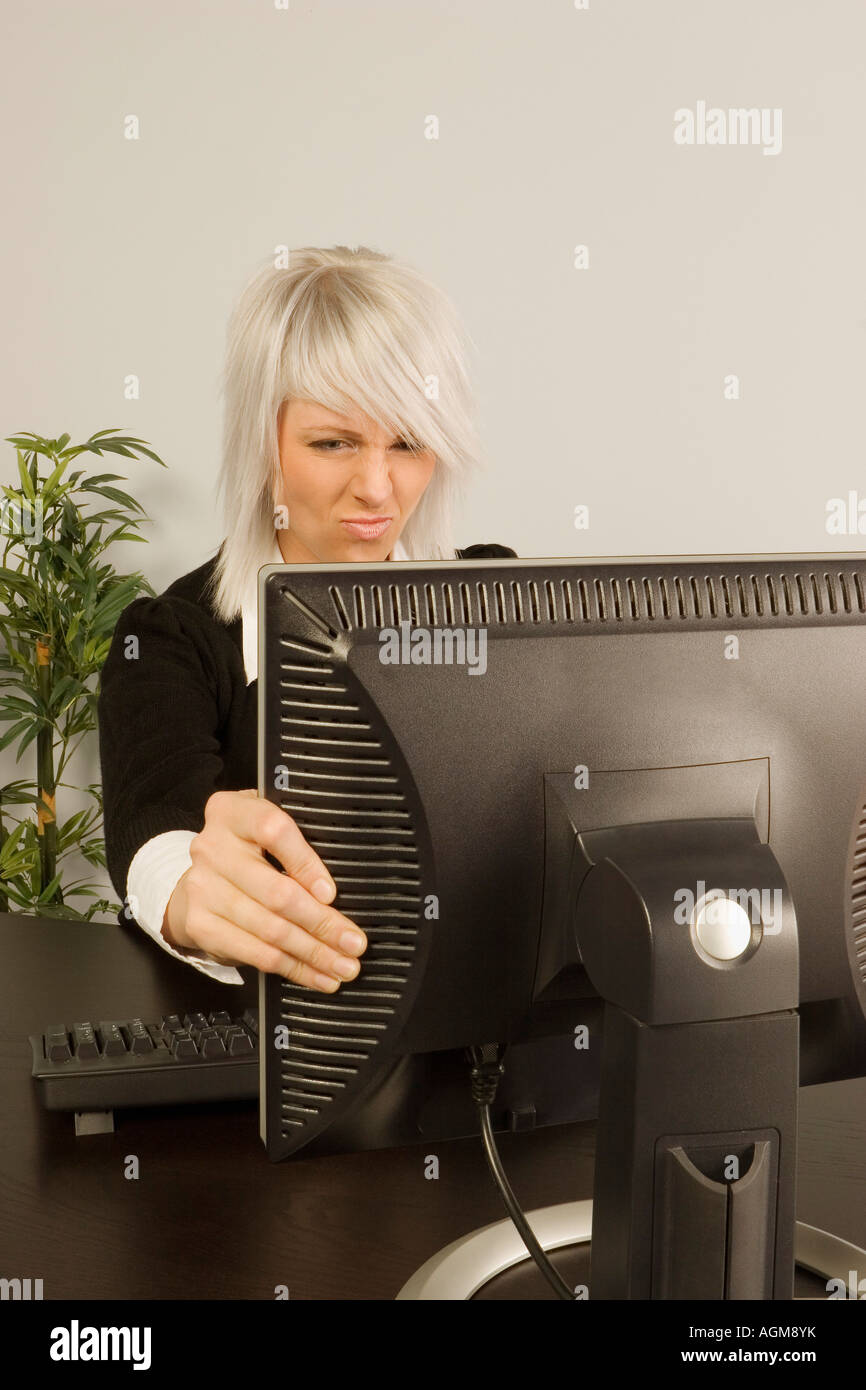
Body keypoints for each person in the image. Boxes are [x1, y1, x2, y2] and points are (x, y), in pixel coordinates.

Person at [97, 245, 516, 990]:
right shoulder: (171, 643)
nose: (377, 488)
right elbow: (158, 840)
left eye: (409, 443)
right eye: (334, 443)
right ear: (266, 446)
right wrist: (194, 897)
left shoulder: (495, 600)